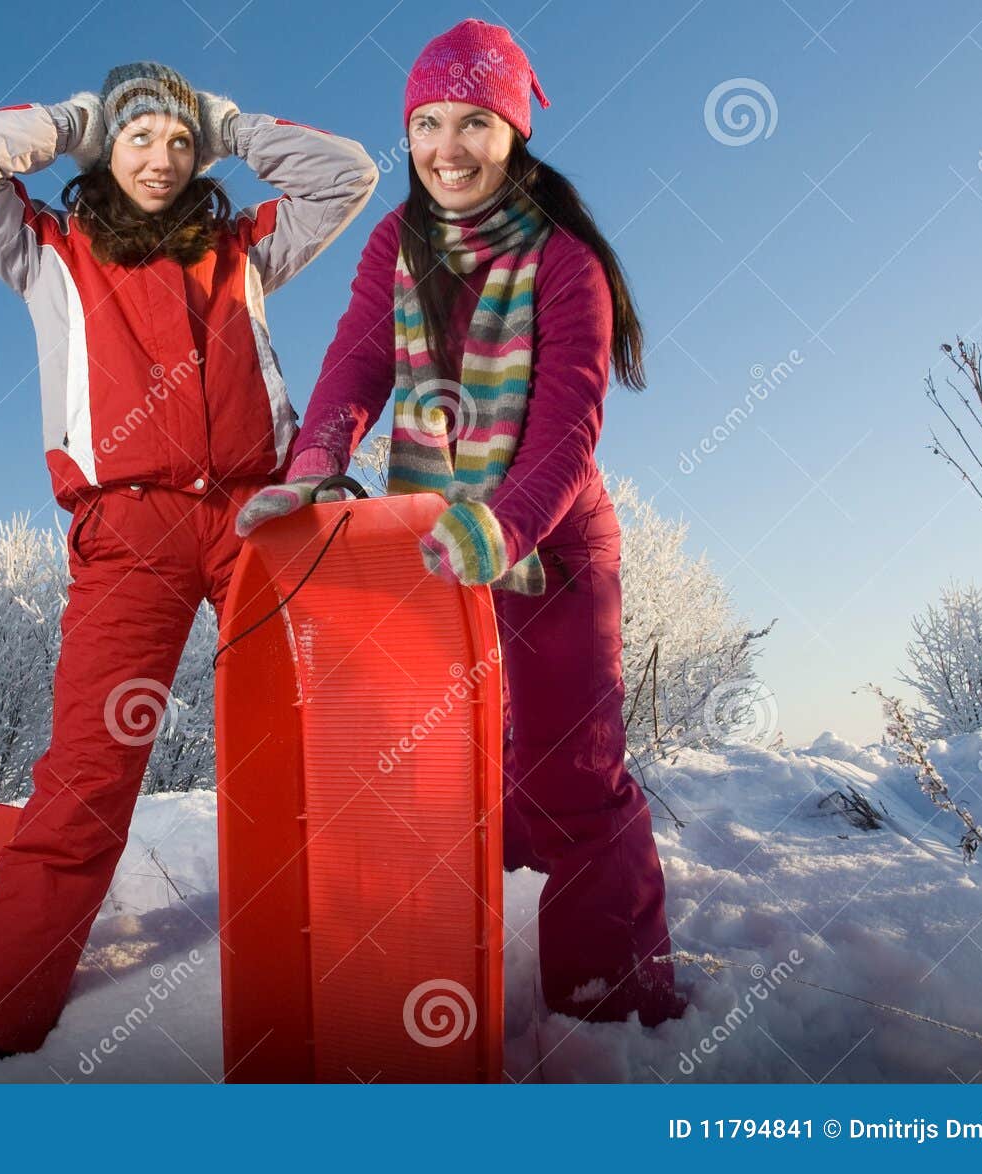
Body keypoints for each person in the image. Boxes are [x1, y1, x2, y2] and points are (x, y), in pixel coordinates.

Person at [0, 62, 378, 1074]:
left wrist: (228, 120)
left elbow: (347, 174)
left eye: (178, 141)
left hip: (261, 520)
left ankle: (360, 959)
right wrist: (78, 119)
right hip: (128, 531)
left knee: (327, 736)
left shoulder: (245, 247)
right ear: (102, 152)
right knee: (90, 767)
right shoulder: (48, 250)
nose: (161, 159)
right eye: (138, 139)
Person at [238, 19, 684, 1028]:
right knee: (434, 768)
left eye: (474, 122)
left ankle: (606, 1007)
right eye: (427, 122)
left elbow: (567, 427)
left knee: (571, 773)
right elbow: (356, 358)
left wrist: (501, 527)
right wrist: (313, 468)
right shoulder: (396, 243)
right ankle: (427, 976)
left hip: (553, 540)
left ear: (513, 133)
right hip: (429, 535)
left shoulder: (562, 263)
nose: (447, 146)